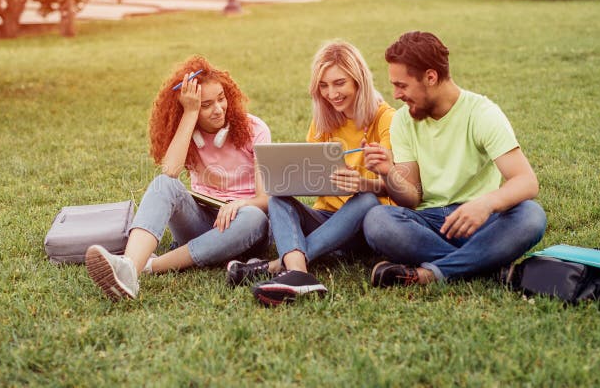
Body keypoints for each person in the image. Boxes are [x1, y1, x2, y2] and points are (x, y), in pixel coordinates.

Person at [363, 31, 547, 287]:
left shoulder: (482, 113)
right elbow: (411, 198)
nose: (395, 95)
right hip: (430, 223)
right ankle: (485, 266)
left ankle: (432, 274)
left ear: (430, 77)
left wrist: (485, 204)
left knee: (531, 216)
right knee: (378, 220)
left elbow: (527, 181)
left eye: (401, 85)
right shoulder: (404, 120)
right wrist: (387, 172)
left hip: (482, 222)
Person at [85, 56, 272, 301]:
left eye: (221, 99)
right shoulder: (188, 131)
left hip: (245, 227)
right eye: (206, 105)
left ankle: (151, 266)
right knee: (164, 184)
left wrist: (240, 204)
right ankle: (128, 267)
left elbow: (265, 198)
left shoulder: (255, 129)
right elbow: (171, 171)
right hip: (204, 223)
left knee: (254, 217)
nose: (218, 109)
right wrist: (190, 113)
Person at [229, 40, 396, 306]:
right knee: (278, 199)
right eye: (324, 85)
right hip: (328, 219)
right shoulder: (324, 121)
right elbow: (315, 178)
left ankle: (277, 267)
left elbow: (395, 185)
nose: (332, 93)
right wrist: (296, 178)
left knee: (366, 199)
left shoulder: (386, 119)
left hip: (364, 225)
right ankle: (299, 275)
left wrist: (363, 182)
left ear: (358, 80)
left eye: (339, 83)